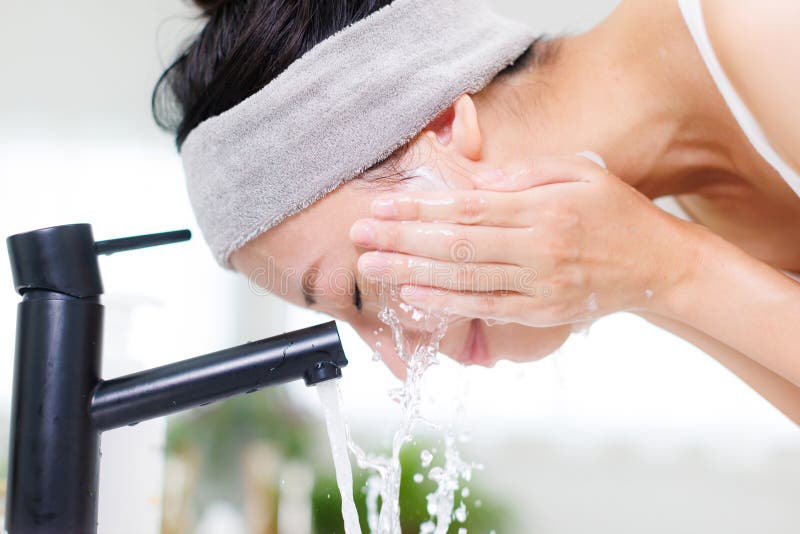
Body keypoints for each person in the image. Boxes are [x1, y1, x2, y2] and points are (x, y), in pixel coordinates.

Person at [153, 0, 800, 424]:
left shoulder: (768, 29)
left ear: (440, 128)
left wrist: (671, 268)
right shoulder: (671, 229)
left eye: (362, 290)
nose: (402, 364)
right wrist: (647, 277)